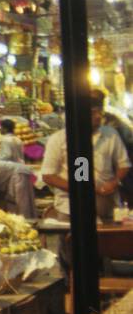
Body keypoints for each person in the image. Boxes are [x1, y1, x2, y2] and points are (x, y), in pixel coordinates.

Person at [41, 90, 130, 220]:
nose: (98, 116)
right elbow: (48, 176)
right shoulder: (59, 139)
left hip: (107, 208)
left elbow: (124, 164)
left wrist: (114, 182)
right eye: (93, 112)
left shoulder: (111, 134)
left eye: (100, 112)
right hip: (71, 210)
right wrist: (84, 189)